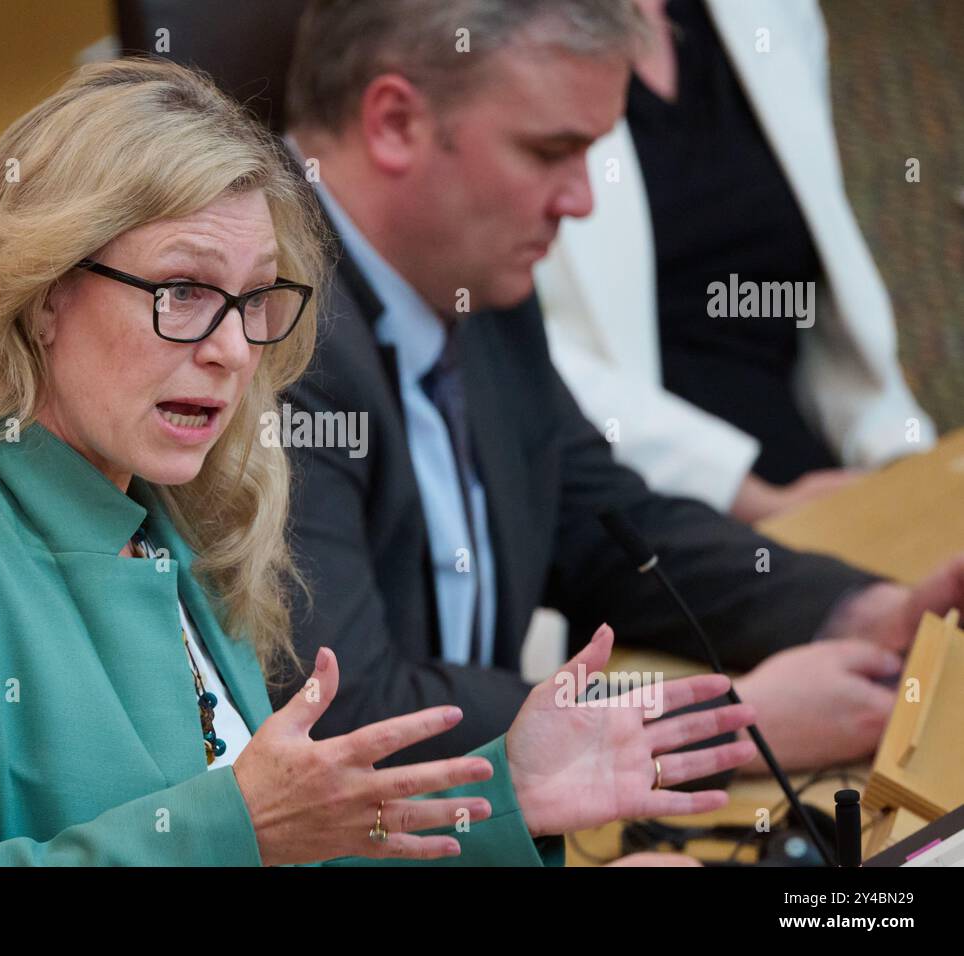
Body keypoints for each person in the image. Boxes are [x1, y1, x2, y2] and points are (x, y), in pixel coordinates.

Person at [0, 58, 755, 867]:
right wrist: (236, 824)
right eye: (182, 291)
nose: (232, 348)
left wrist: (507, 791)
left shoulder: (168, 513)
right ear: (41, 288)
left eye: (255, 300)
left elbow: (292, 847)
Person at [276, 0, 964, 778]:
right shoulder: (264, 329)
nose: (582, 200)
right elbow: (350, 715)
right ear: (395, 122)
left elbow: (608, 525)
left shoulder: (467, 276)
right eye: (549, 152)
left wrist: (858, 613)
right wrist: (724, 723)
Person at [534, 0, 936, 522]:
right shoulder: (486, 34)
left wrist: (891, 458)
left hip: (819, 470)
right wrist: (749, 499)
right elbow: (506, 353)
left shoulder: (768, 14)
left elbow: (818, 291)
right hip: (637, 520)